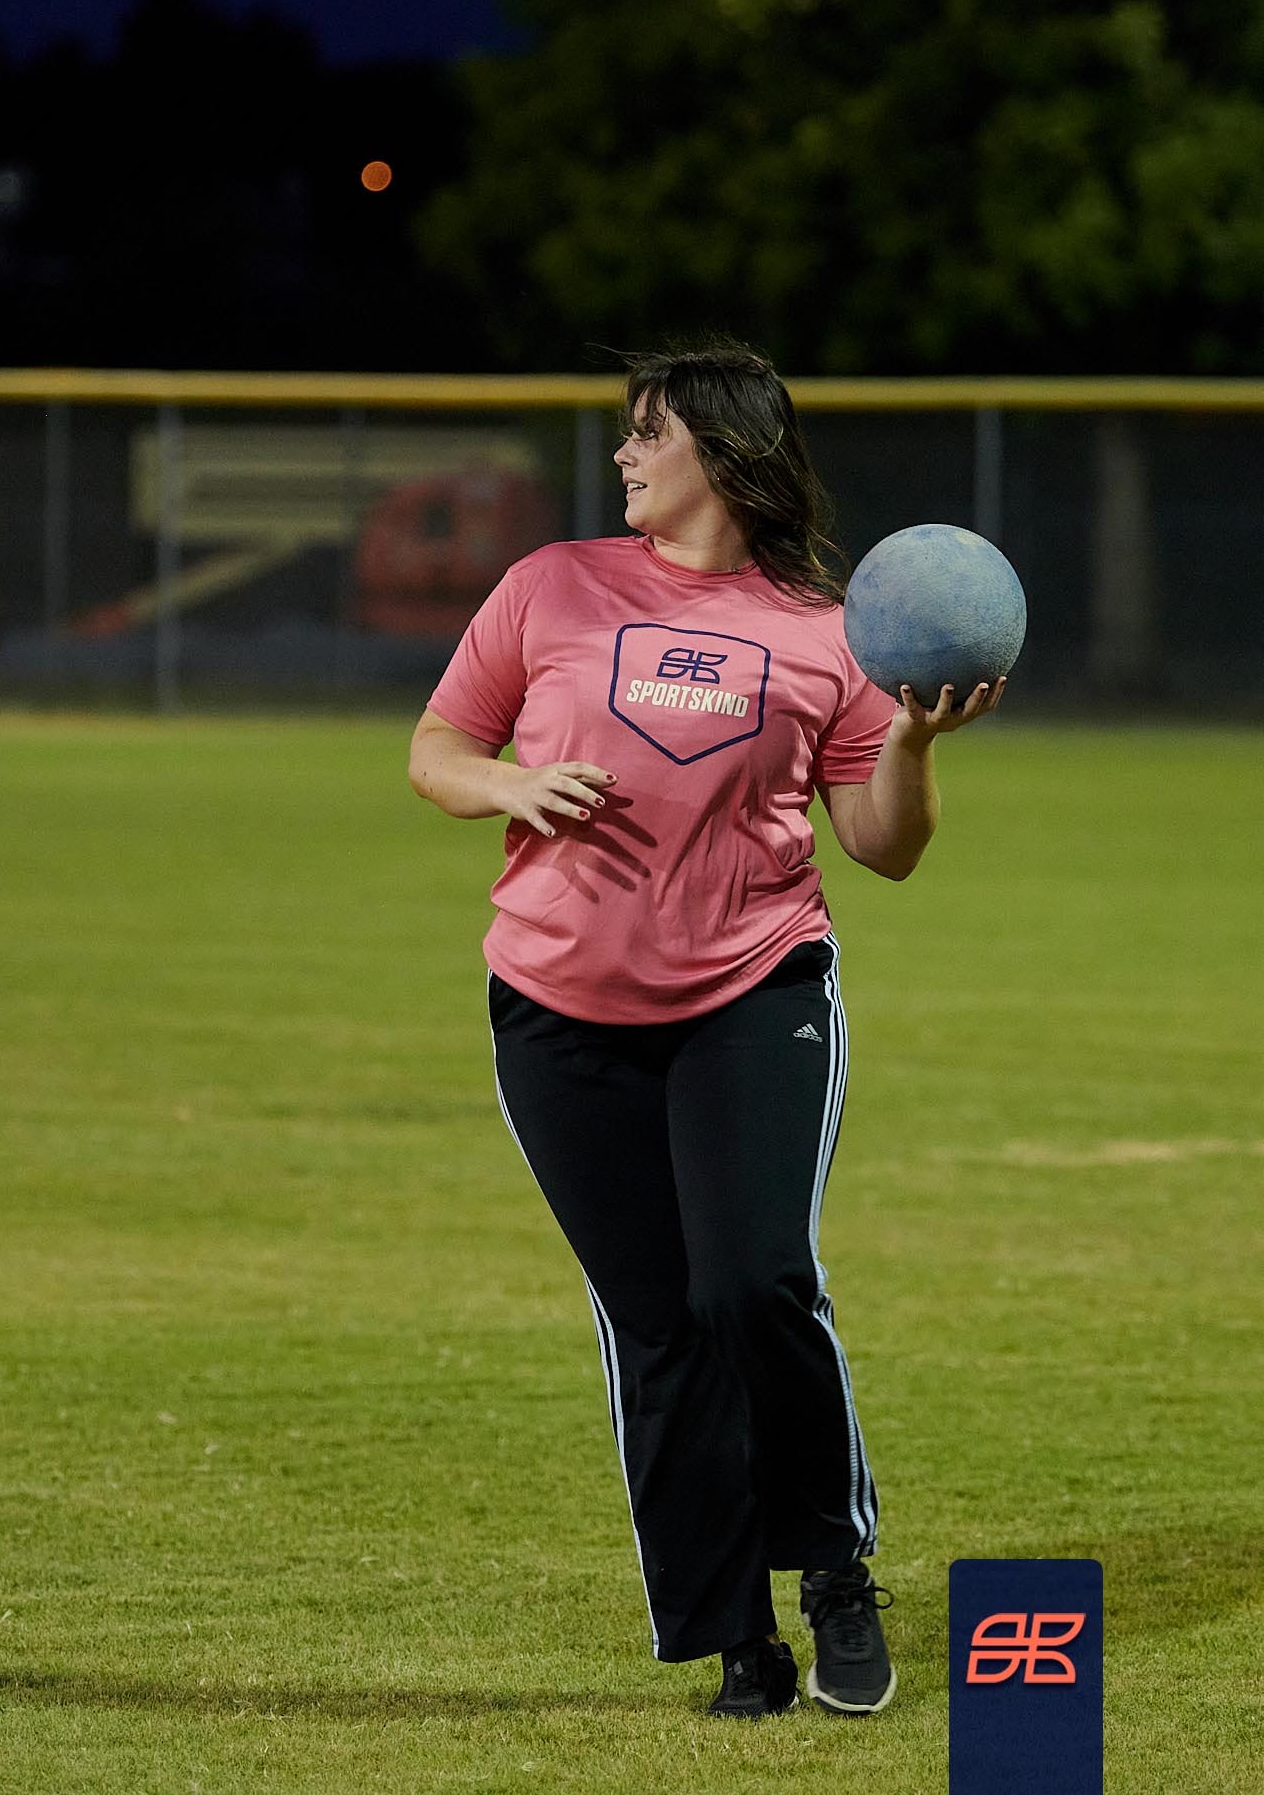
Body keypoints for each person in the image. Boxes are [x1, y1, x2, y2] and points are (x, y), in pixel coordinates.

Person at [407, 341, 1006, 1720]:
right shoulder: (548, 585)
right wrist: (510, 778)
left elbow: (881, 849)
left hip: (752, 991)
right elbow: (435, 751)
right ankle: (737, 1633)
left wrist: (908, 746)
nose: (623, 453)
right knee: (660, 1327)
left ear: (722, 456)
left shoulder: (823, 629)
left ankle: (835, 1572)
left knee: (752, 1284)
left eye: (646, 432)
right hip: (558, 1015)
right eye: (625, 433)